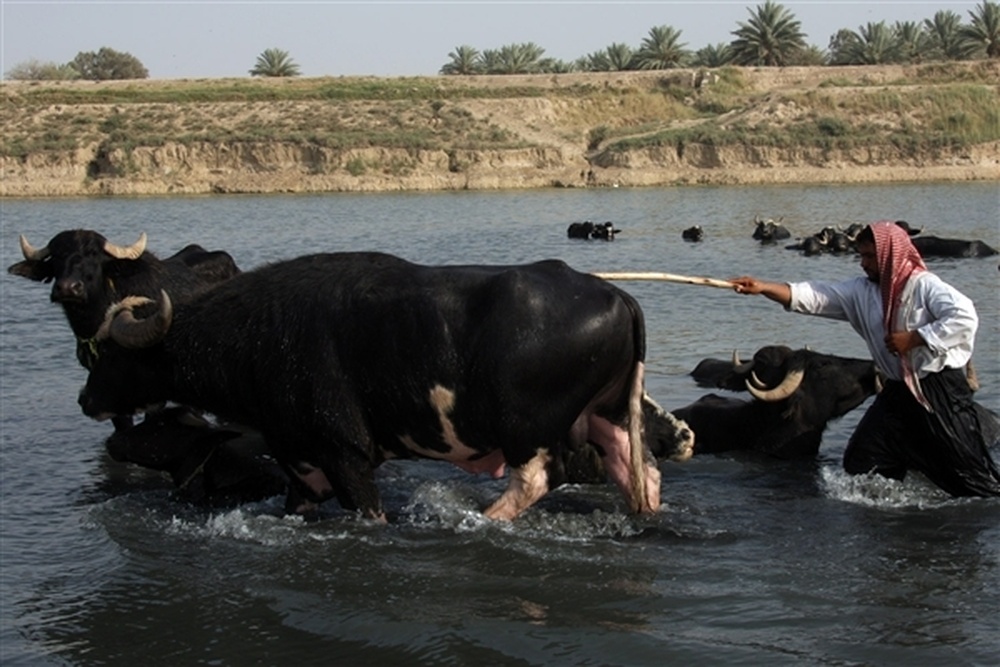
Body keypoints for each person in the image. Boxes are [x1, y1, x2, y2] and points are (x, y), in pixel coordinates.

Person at [731, 220, 1000, 497]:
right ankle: (892, 518)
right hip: (898, 392)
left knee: (973, 481)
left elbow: (964, 317)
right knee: (862, 462)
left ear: (890, 255)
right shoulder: (862, 292)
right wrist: (762, 287)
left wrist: (915, 338)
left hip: (939, 391)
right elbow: (813, 296)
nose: (863, 263)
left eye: (870, 256)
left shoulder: (924, 286)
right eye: (861, 256)